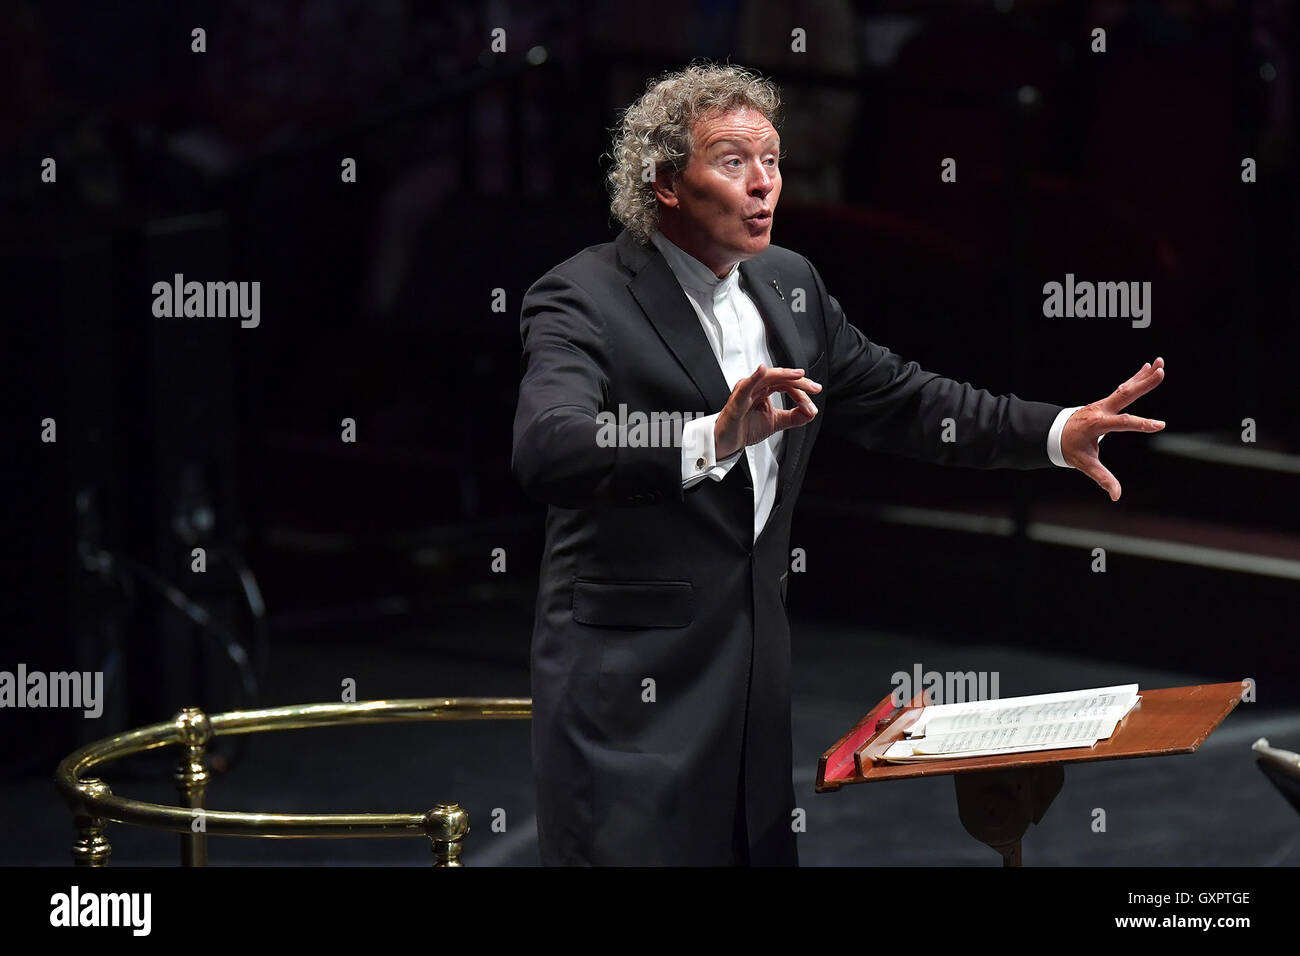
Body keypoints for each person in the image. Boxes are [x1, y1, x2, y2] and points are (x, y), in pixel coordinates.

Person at [510, 62, 1166, 866]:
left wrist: (1055, 431)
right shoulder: (583, 297)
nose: (764, 186)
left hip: (753, 698)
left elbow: (906, 399)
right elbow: (551, 446)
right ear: (666, 183)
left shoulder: (790, 286)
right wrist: (710, 435)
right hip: (628, 707)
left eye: (773, 160)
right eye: (733, 161)